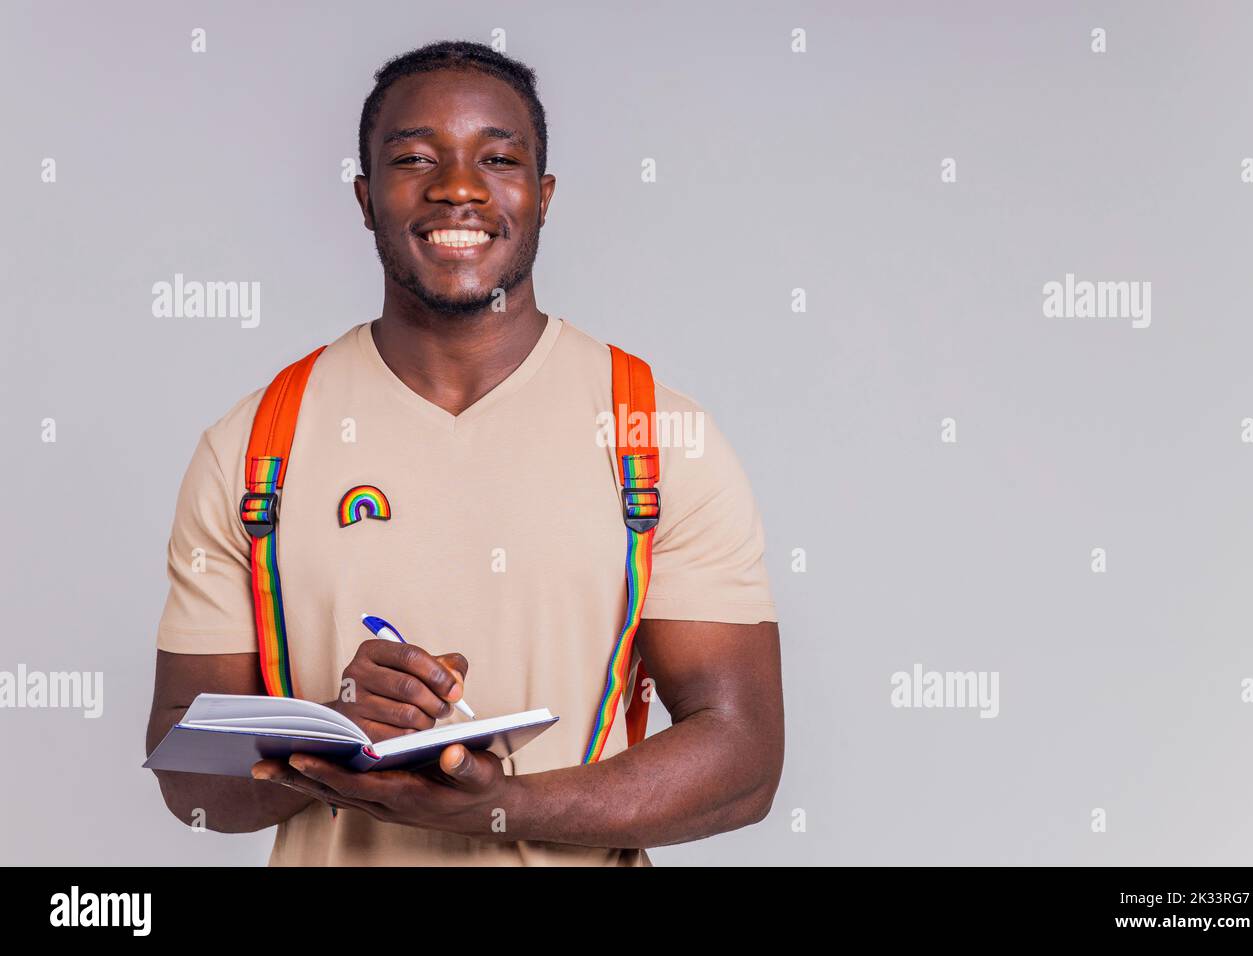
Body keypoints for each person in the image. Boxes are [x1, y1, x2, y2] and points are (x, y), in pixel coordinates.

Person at [146, 40, 783, 866]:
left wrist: (499, 806)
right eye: (415, 157)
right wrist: (341, 732)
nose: (457, 186)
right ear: (365, 198)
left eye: (498, 157)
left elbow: (744, 763)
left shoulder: (656, 436)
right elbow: (188, 777)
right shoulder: (256, 445)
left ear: (543, 196)